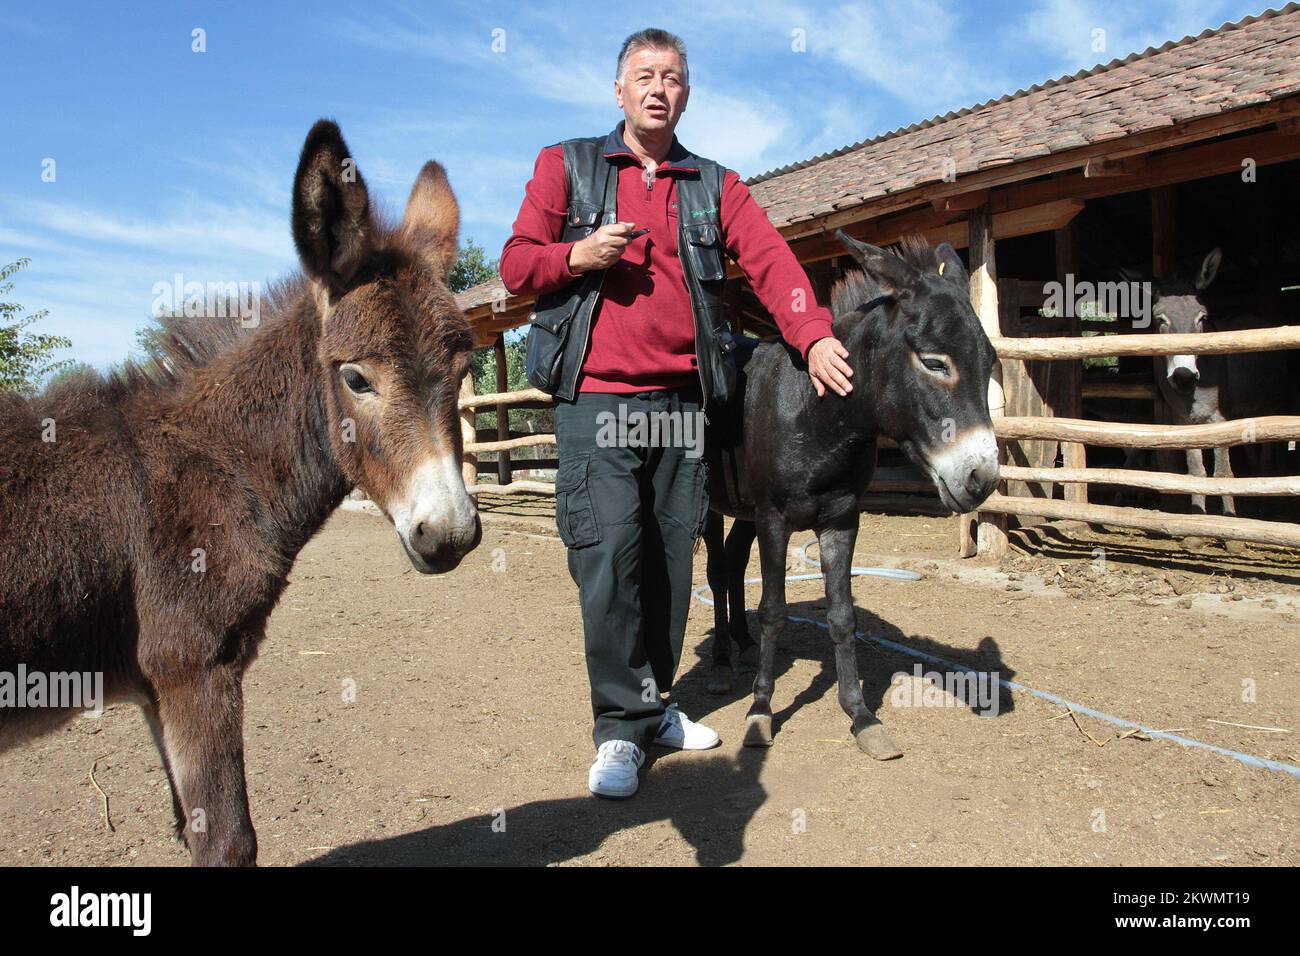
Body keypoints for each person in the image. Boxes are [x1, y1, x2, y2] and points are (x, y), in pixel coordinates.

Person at [500, 28, 852, 798]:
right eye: (644, 76)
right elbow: (515, 261)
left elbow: (771, 262)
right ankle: (618, 730)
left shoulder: (713, 185)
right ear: (618, 90)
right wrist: (578, 255)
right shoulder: (567, 164)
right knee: (609, 559)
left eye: (674, 78)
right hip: (597, 399)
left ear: (686, 93)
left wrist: (814, 334)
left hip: (679, 403)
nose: (659, 88)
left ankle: (655, 706)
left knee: (667, 560)